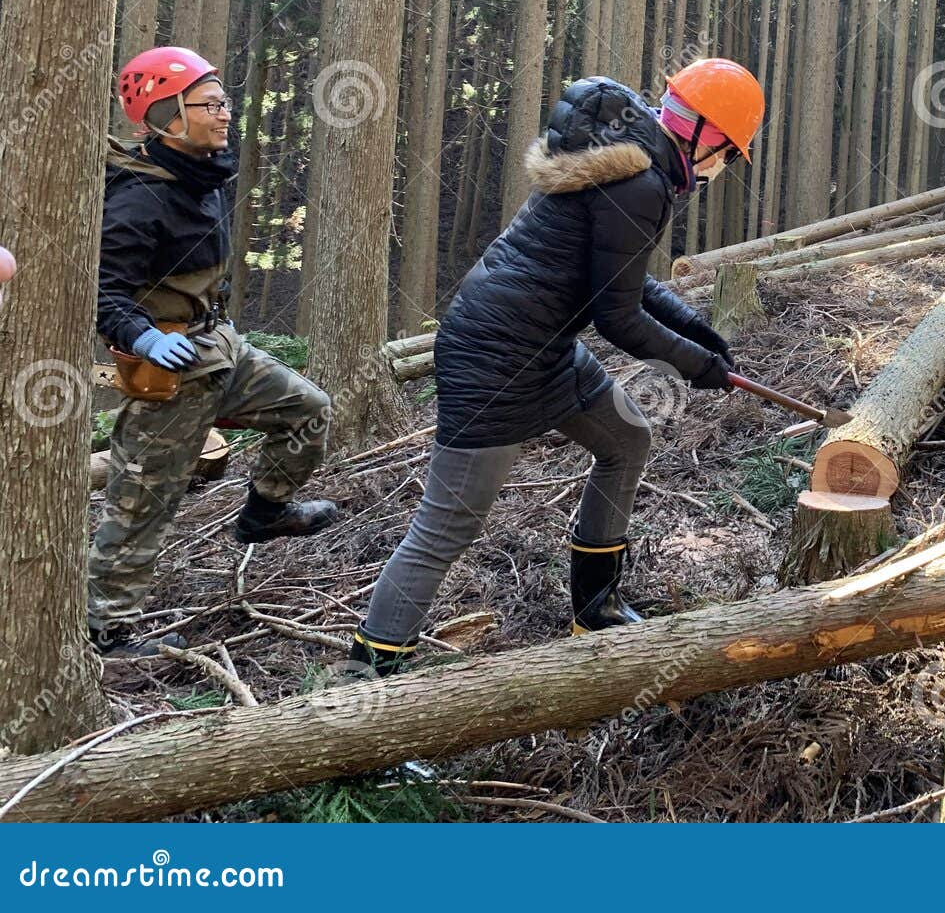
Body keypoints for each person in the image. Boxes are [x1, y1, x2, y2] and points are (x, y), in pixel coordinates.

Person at [349, 59, 765, 675]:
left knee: (627, 438)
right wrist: (698, 367)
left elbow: (624, 281)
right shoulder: (642, 183)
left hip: (546, 347)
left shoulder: (631, 161)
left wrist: (699, 332)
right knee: (447, 526)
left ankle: (594, 610)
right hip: (495, 359)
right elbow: (617, 319)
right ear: (705, 135)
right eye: (729, 154)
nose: (722, 167)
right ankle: (367, 684)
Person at [91, 47, 338, 659]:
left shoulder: (204, 175)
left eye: (225, 101)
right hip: (168, 373)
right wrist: (142, 337)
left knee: (308, 410)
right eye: (209, 104)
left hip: (219, 352)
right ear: (167, 116)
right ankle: (106, 633)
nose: (224, 113)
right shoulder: (137, 197)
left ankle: (264, 516)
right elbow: (102, 290)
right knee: (141, 502)